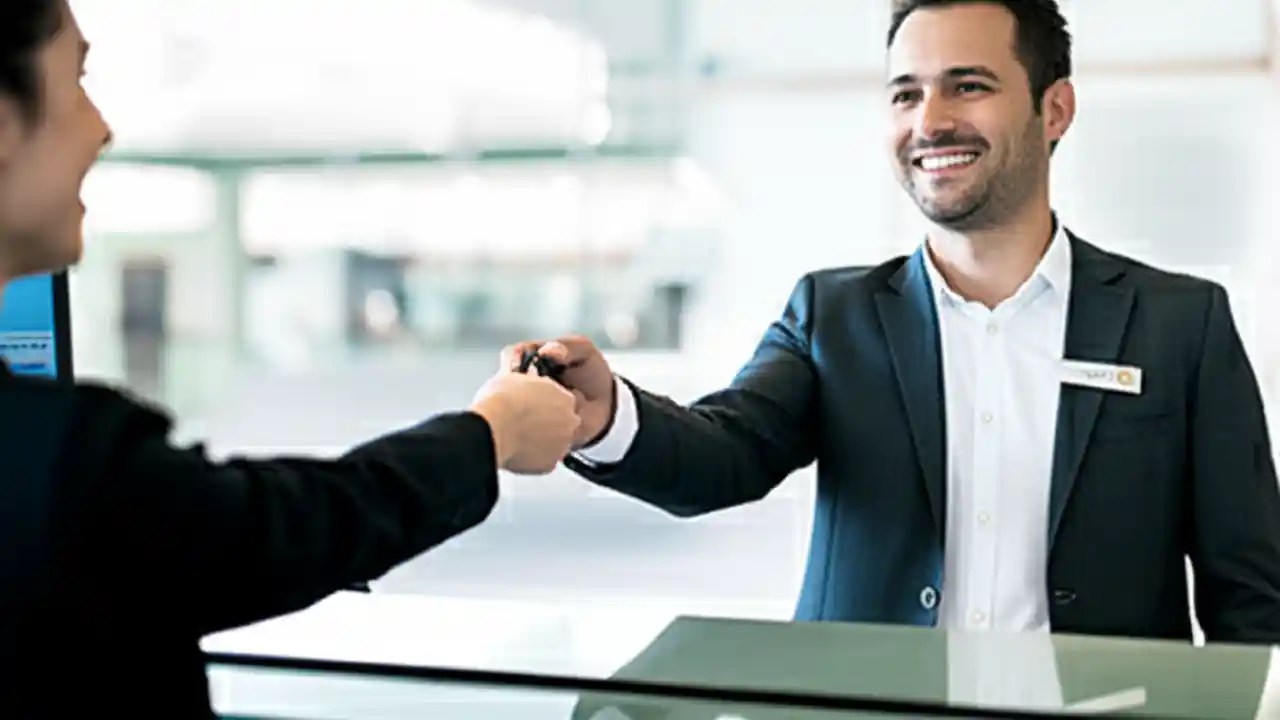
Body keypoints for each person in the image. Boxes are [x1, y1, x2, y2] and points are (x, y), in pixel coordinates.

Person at [509, 0, 1280, 644]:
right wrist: (606, 412)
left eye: (967, 86)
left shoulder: (1181, 324)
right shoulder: (832, 315)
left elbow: (1252, 598)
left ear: (1055, 109)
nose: (931, 121)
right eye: (905, 94)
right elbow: (725, 454)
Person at [0, 0, 581, 713]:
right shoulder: (61, 466)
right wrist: (496, 432)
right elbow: (273, 531)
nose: (101, 127)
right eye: (76, 82)